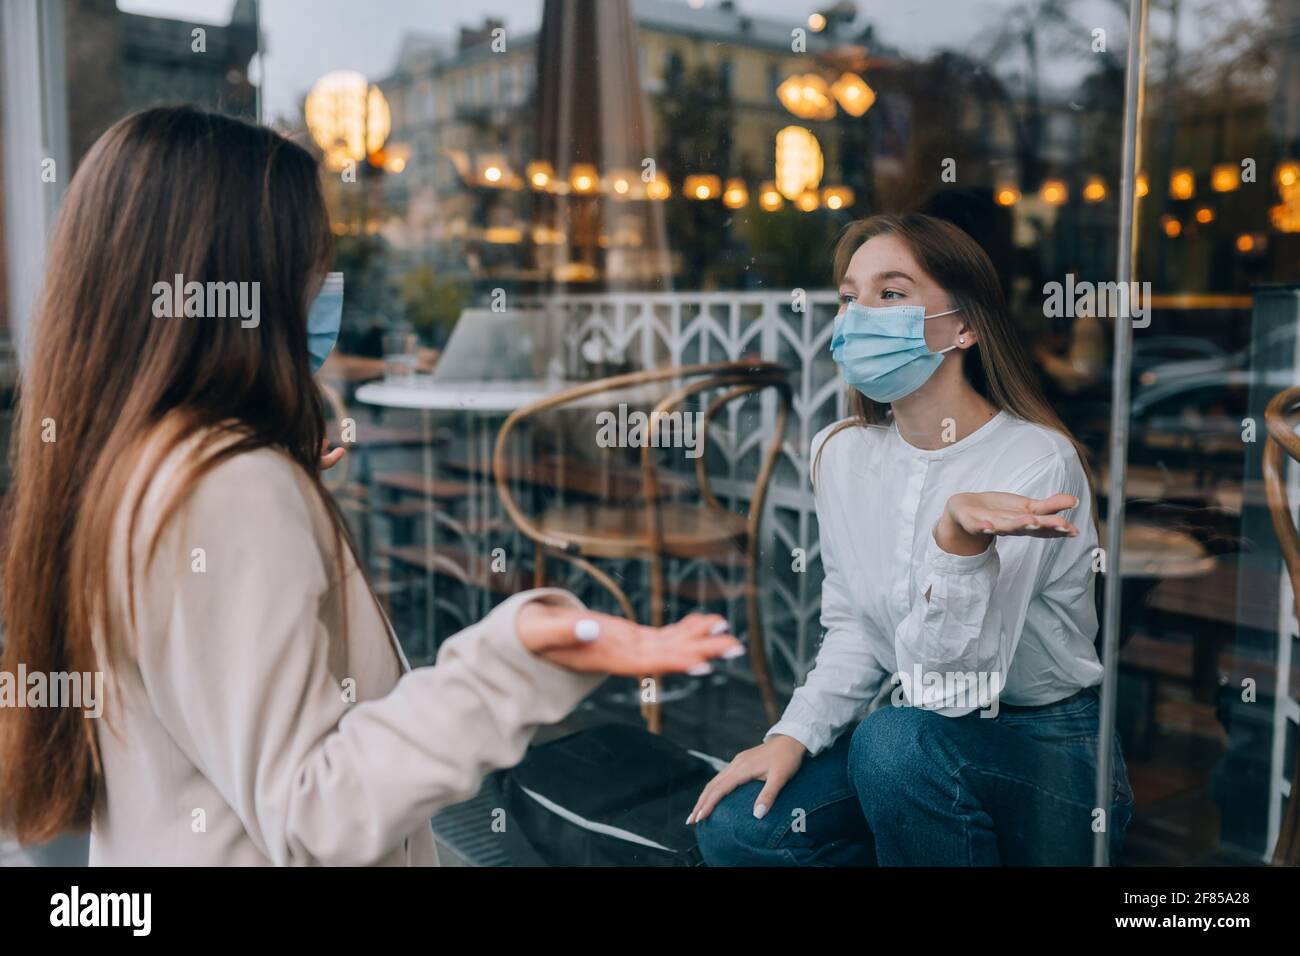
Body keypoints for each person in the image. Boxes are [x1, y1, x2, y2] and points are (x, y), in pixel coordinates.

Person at [0, 107, 742, 865]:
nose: (326, 287)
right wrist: (514, 659)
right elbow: (314, 815)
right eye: (311, 260)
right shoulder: (223, 487)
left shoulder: (129, 464)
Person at [690, 213, 1133, 866]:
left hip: (1046, 748)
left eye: (891, 294)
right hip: (918, 746)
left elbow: (952, 690)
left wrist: (959, 544)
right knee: (735, 827)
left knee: (892, 743)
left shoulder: (1036, 461)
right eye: (850, 298)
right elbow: (852, 627)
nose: (859, 315)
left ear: (965, 326)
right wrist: (794, 734)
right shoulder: (840, 453)